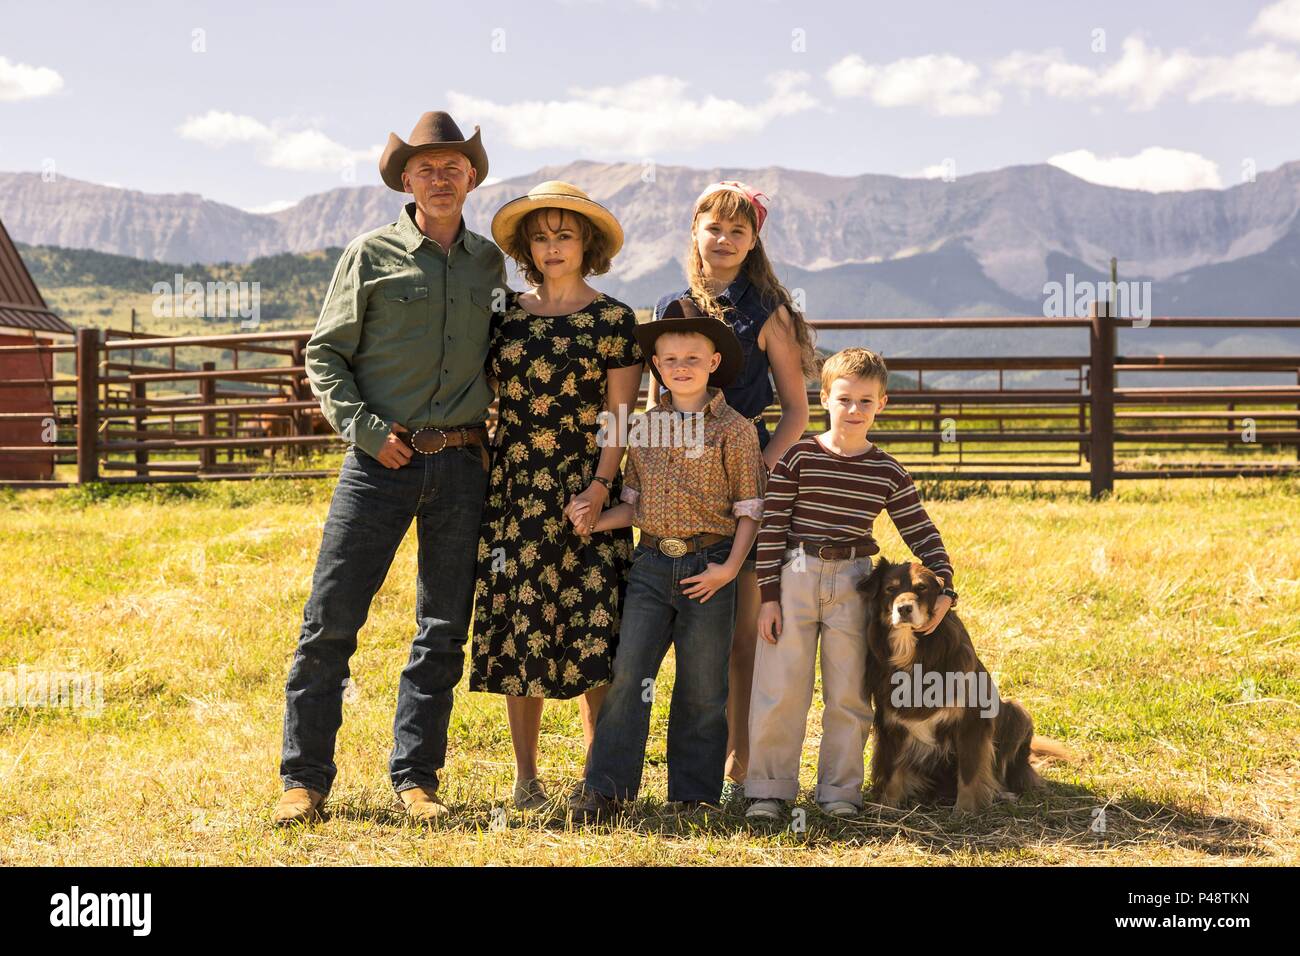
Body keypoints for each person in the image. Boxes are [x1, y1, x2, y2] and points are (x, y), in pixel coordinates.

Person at [275, 111, 505, 825]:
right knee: (331, 620)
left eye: (453, 167)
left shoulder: (489, 263)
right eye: (426, 168)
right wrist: (367, 431)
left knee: (443, 628)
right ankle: (303, 781)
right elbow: (325, 353)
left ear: (471, 178)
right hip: (379, 463)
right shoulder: (369, 254)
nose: (440, 179)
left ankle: (417, 781)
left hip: (463, 464)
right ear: (406, 180)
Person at [470, 181, 644, 809]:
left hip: (585, 489)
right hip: (515, 490)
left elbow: (620, 417)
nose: (552, 246)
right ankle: (526, 780)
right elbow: (477, 391)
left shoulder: (614, 319)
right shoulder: (503, 313)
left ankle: (598, 779)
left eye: (564, 235)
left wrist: (601, 486)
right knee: (523, 628)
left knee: (595, 626)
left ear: (586, 243)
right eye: (540, 237)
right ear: (526, 247)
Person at [652, 181, 819, 805]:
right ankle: (693, 761)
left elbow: (797, 412)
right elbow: (659, 406)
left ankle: (741, 763)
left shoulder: (770, 311)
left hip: (747, 484)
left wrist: (757, 472)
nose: (723, 240)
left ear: (753, 242)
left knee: (744, 634)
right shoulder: (671, 306)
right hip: (681, 489)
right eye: (713, 228)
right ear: (695, 232)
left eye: (737, 231)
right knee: (691, 629)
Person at [570, 299, 766, 818]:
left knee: (702, 685)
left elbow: (750, 509)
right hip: (652, 564)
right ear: (656, 365)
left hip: (710, 565)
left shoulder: (734, 430)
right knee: (628, 673)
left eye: (693, 358)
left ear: (713, 363)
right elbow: (633, 506)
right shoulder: (643, 428)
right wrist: (592, 520)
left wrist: (729, 570)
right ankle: (608, 790)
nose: (682, 367)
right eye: (671, 359)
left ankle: (693, 796)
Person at [745, 347, 958, 822]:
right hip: (796, 575)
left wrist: (944, 586)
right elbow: (772, 529)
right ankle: (768, 790)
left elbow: (921, 531)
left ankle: (839, 790)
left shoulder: (887, 470)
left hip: (855, 582)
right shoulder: (798, 457)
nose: (854, 410)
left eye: (865, 401)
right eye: (844, 399)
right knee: (781, 689)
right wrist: (769, 598)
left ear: (882, 403)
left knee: (849, 693)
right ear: (824, 398)